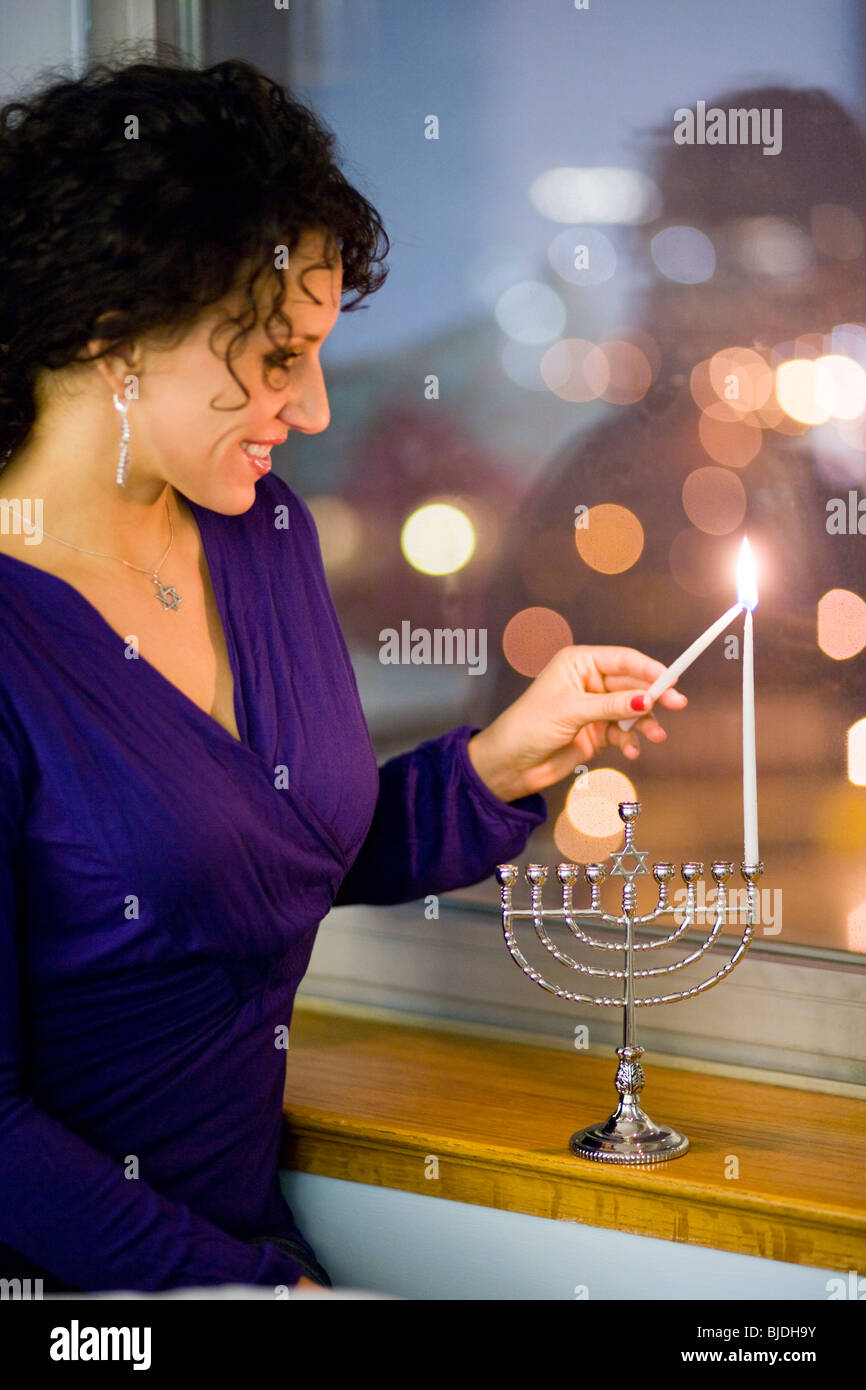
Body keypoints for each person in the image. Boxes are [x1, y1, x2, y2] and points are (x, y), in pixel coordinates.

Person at [0, 53, 685, 1297]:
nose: (311, 409)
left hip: (242, 1247)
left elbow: (259, 862)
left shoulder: (260, 538)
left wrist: (492, 766)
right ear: (112, 336)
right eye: (273, 359)